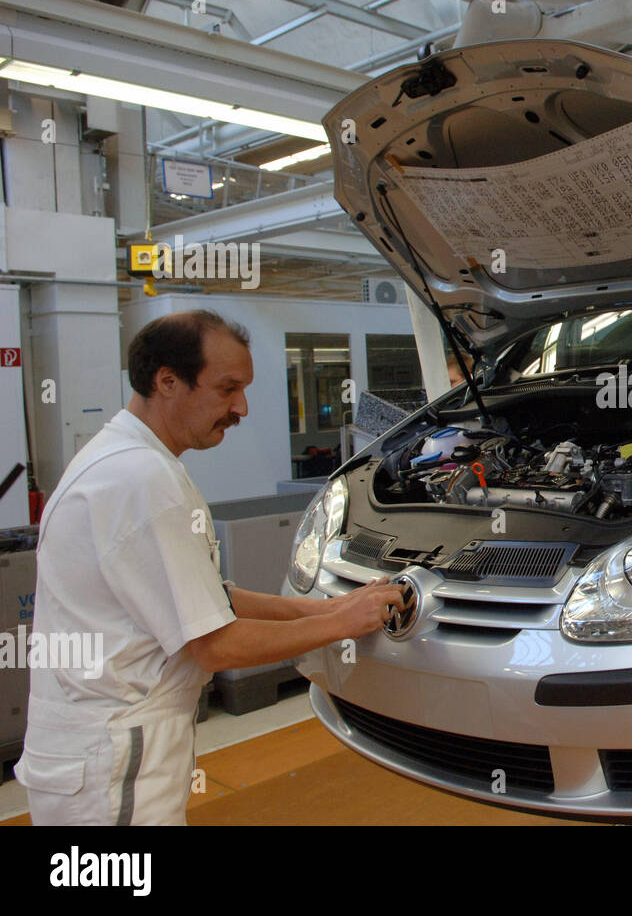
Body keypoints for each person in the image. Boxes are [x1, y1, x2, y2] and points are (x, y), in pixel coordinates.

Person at [16, 310, 403, 825]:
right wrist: (340, 624)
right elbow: (217, 644)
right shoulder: (141, 480)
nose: (240, 407)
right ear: (168, 381)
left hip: (103, 750)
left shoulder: (125, 459)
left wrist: (323, 606)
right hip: (112, 761)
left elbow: (210, 596)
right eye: (227, 389)